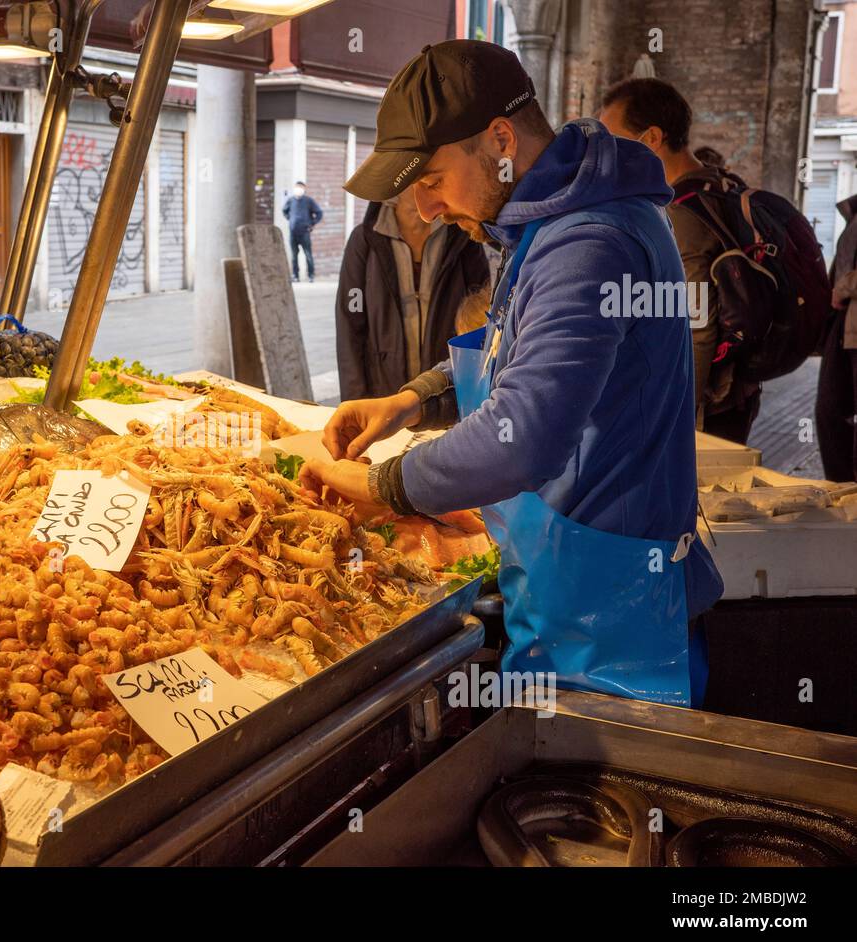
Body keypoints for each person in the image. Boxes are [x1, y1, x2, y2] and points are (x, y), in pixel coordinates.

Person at [301, 40, 723, 707]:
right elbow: (521, 352)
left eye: (432, 180)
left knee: (602, 805)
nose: (428, 208)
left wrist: (383, 484)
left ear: (499, 139)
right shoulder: (549, 222)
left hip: (613, 612)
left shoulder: (589, 240)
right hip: (567, 580)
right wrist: (416, 399)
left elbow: (524, 432)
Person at [599, 78, 760, 443]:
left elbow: (697, 324)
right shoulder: (719, 185)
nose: (606, 152)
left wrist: (678, 419)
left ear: (651, 138)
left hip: (710, 403)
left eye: (612, 139)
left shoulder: (683, 215)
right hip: (737, 388)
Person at [336, 190, 490, 400]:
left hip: (445, 390)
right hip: (383, 393)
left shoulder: (461, 238)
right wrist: (354, 399)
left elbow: (480, 316)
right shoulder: (365, 241)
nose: (423, 184)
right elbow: (350, 326)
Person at [821, 194, 857, 481]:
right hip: (844, 324)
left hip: (849, 316)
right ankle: (843, 493)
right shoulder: (853, 211)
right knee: (830, 413)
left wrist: (843, 287)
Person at [281, 181, 323, 282]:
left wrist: (312, 223)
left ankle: (311, 275)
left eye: (300, 187)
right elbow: (284, 211)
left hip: (305, 232)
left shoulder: (309, 201)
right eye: (297, 187)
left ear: (304, 189)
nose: (298, 189)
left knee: (308, 255)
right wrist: (290, 219)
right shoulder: (291, 200)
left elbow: (319, 213)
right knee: (294, 256)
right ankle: (295, 275)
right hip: (293, 232)